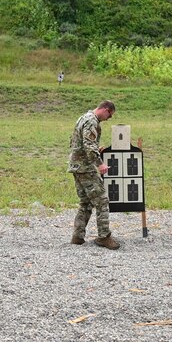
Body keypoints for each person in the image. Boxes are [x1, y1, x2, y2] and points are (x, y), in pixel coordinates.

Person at [68, 100, 120, 249]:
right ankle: (104, 236)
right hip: (86, 167)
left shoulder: (83, 117)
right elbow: (88, 145)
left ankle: (77, 236)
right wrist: (100, 164)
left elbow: (78, 142)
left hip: (76, 166)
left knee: (86, 202)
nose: (109, 118)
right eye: (109, 115)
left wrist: (96, 149)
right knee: (102, 200)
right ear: (105, 109)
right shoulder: (91, 121)